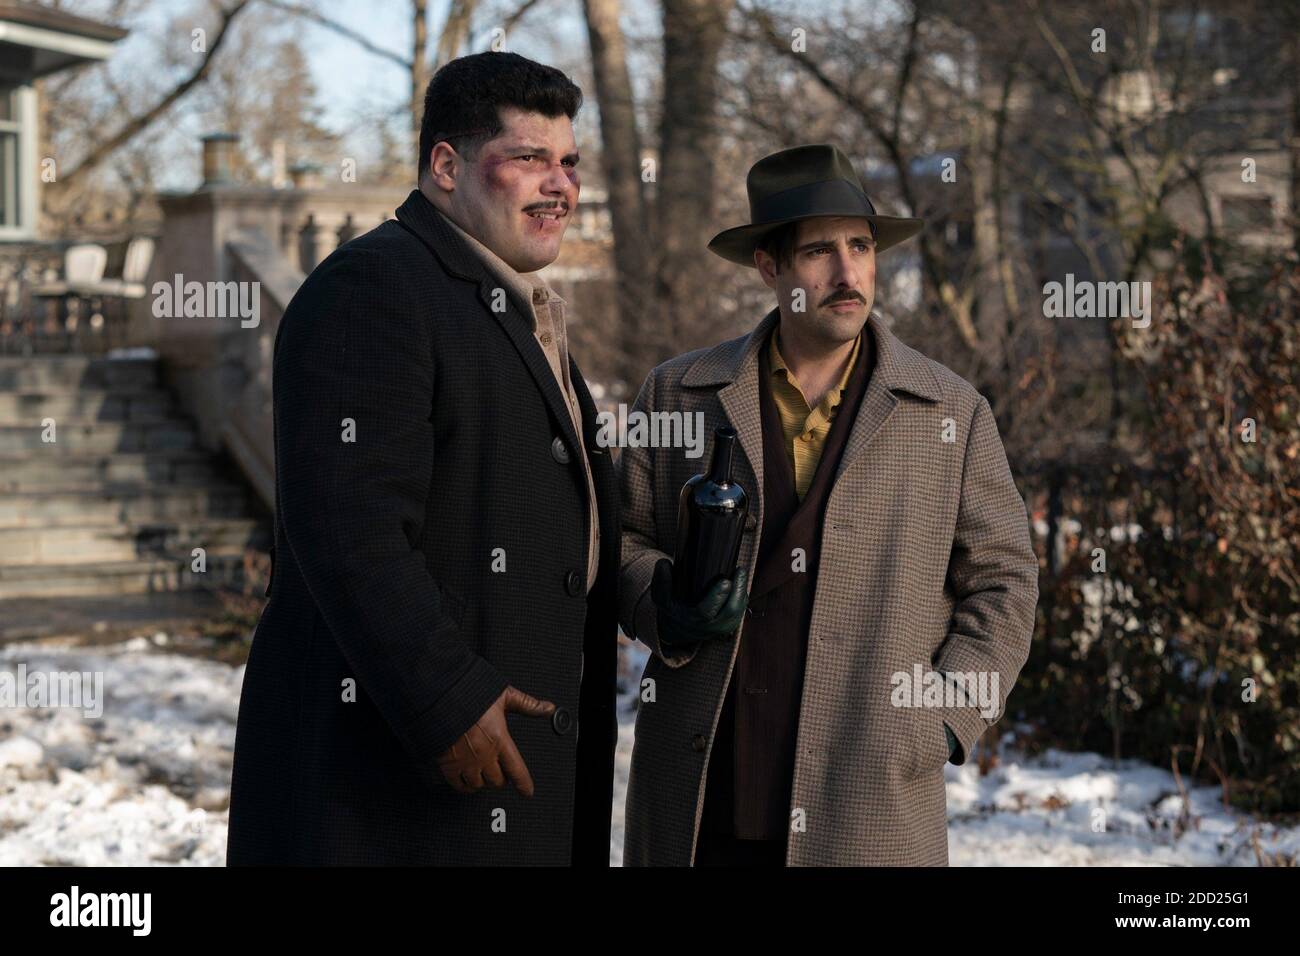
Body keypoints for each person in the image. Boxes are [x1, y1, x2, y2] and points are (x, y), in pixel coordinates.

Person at [227, 52, 619, 866]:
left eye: (570, 163)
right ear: (446, 165)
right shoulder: (372, 288)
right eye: (529, 159)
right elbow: (346, 526)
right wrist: (445, 699)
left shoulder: (515, 303)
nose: (561, 185)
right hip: (397, 790)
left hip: (509, 780)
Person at [618, 143, 1038, 866]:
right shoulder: (676, 394)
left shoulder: (950, 410)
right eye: (818, 251)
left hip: (868, 799)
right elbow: (621, 540)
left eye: (861, 246)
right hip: (703, 790)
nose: (848, 274)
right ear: (770, 267)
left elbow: (1005, 581)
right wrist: (665, 602)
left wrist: (941, 718)